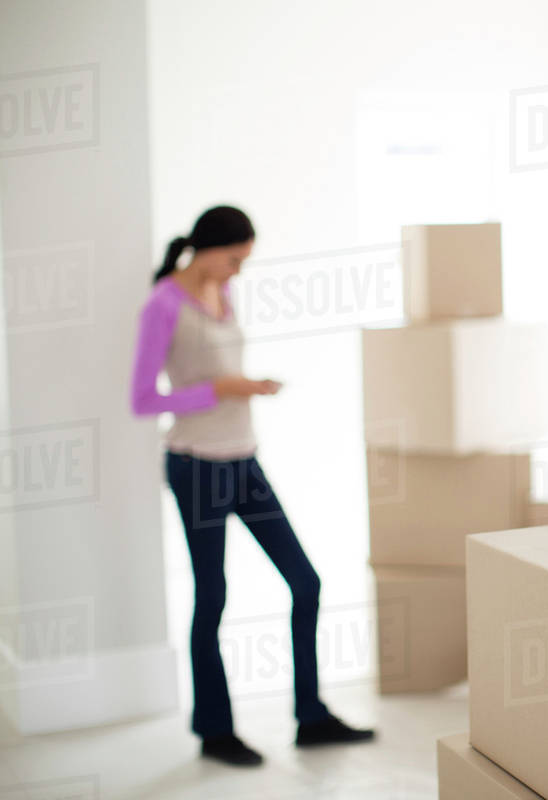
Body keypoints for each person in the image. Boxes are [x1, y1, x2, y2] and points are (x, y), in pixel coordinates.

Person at [131, 205, 374, 767]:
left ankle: (310, 718)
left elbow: (219, 371)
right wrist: (219, 387)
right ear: (210, 249)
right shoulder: (163, 304)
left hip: (243, 462)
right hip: (197, 466)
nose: (239, 271)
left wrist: (246, 386)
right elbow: (144, 399)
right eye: (236, 259)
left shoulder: (223, 292)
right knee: (212, 597)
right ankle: (215, 732)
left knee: (305, 581)